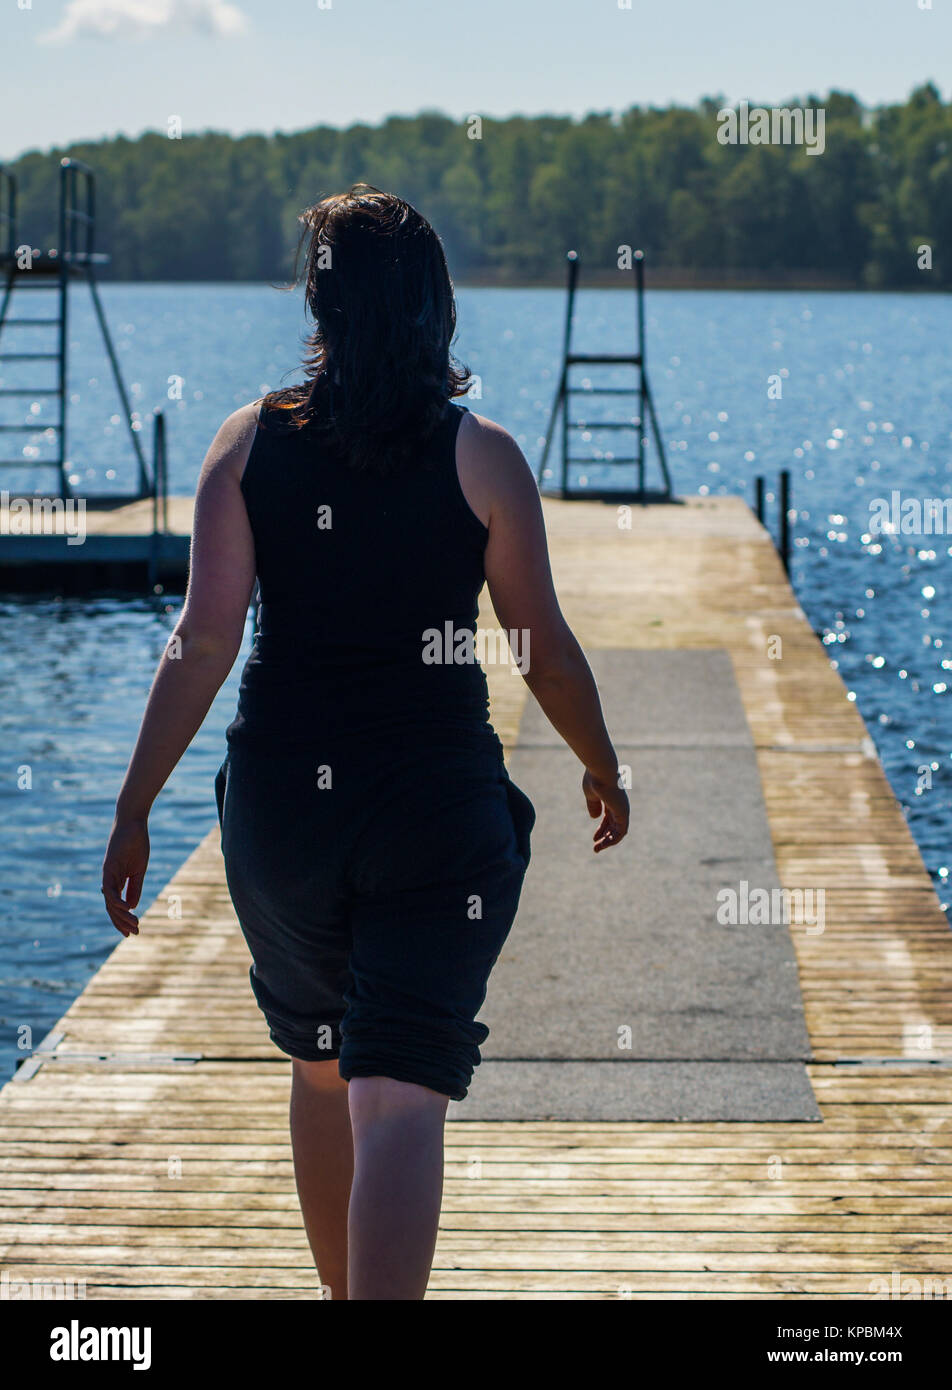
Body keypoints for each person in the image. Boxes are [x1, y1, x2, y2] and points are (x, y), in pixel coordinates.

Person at [101, 184, 629, 1301]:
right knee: (398, 1097)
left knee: (323, 1063)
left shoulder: (247, 446)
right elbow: (543, 648)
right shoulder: (478, 455)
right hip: (435, 818)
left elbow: (200, 640)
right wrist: (600, 762)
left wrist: (135, 802)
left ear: (321, 309)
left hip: (286, 813)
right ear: (435, 309)